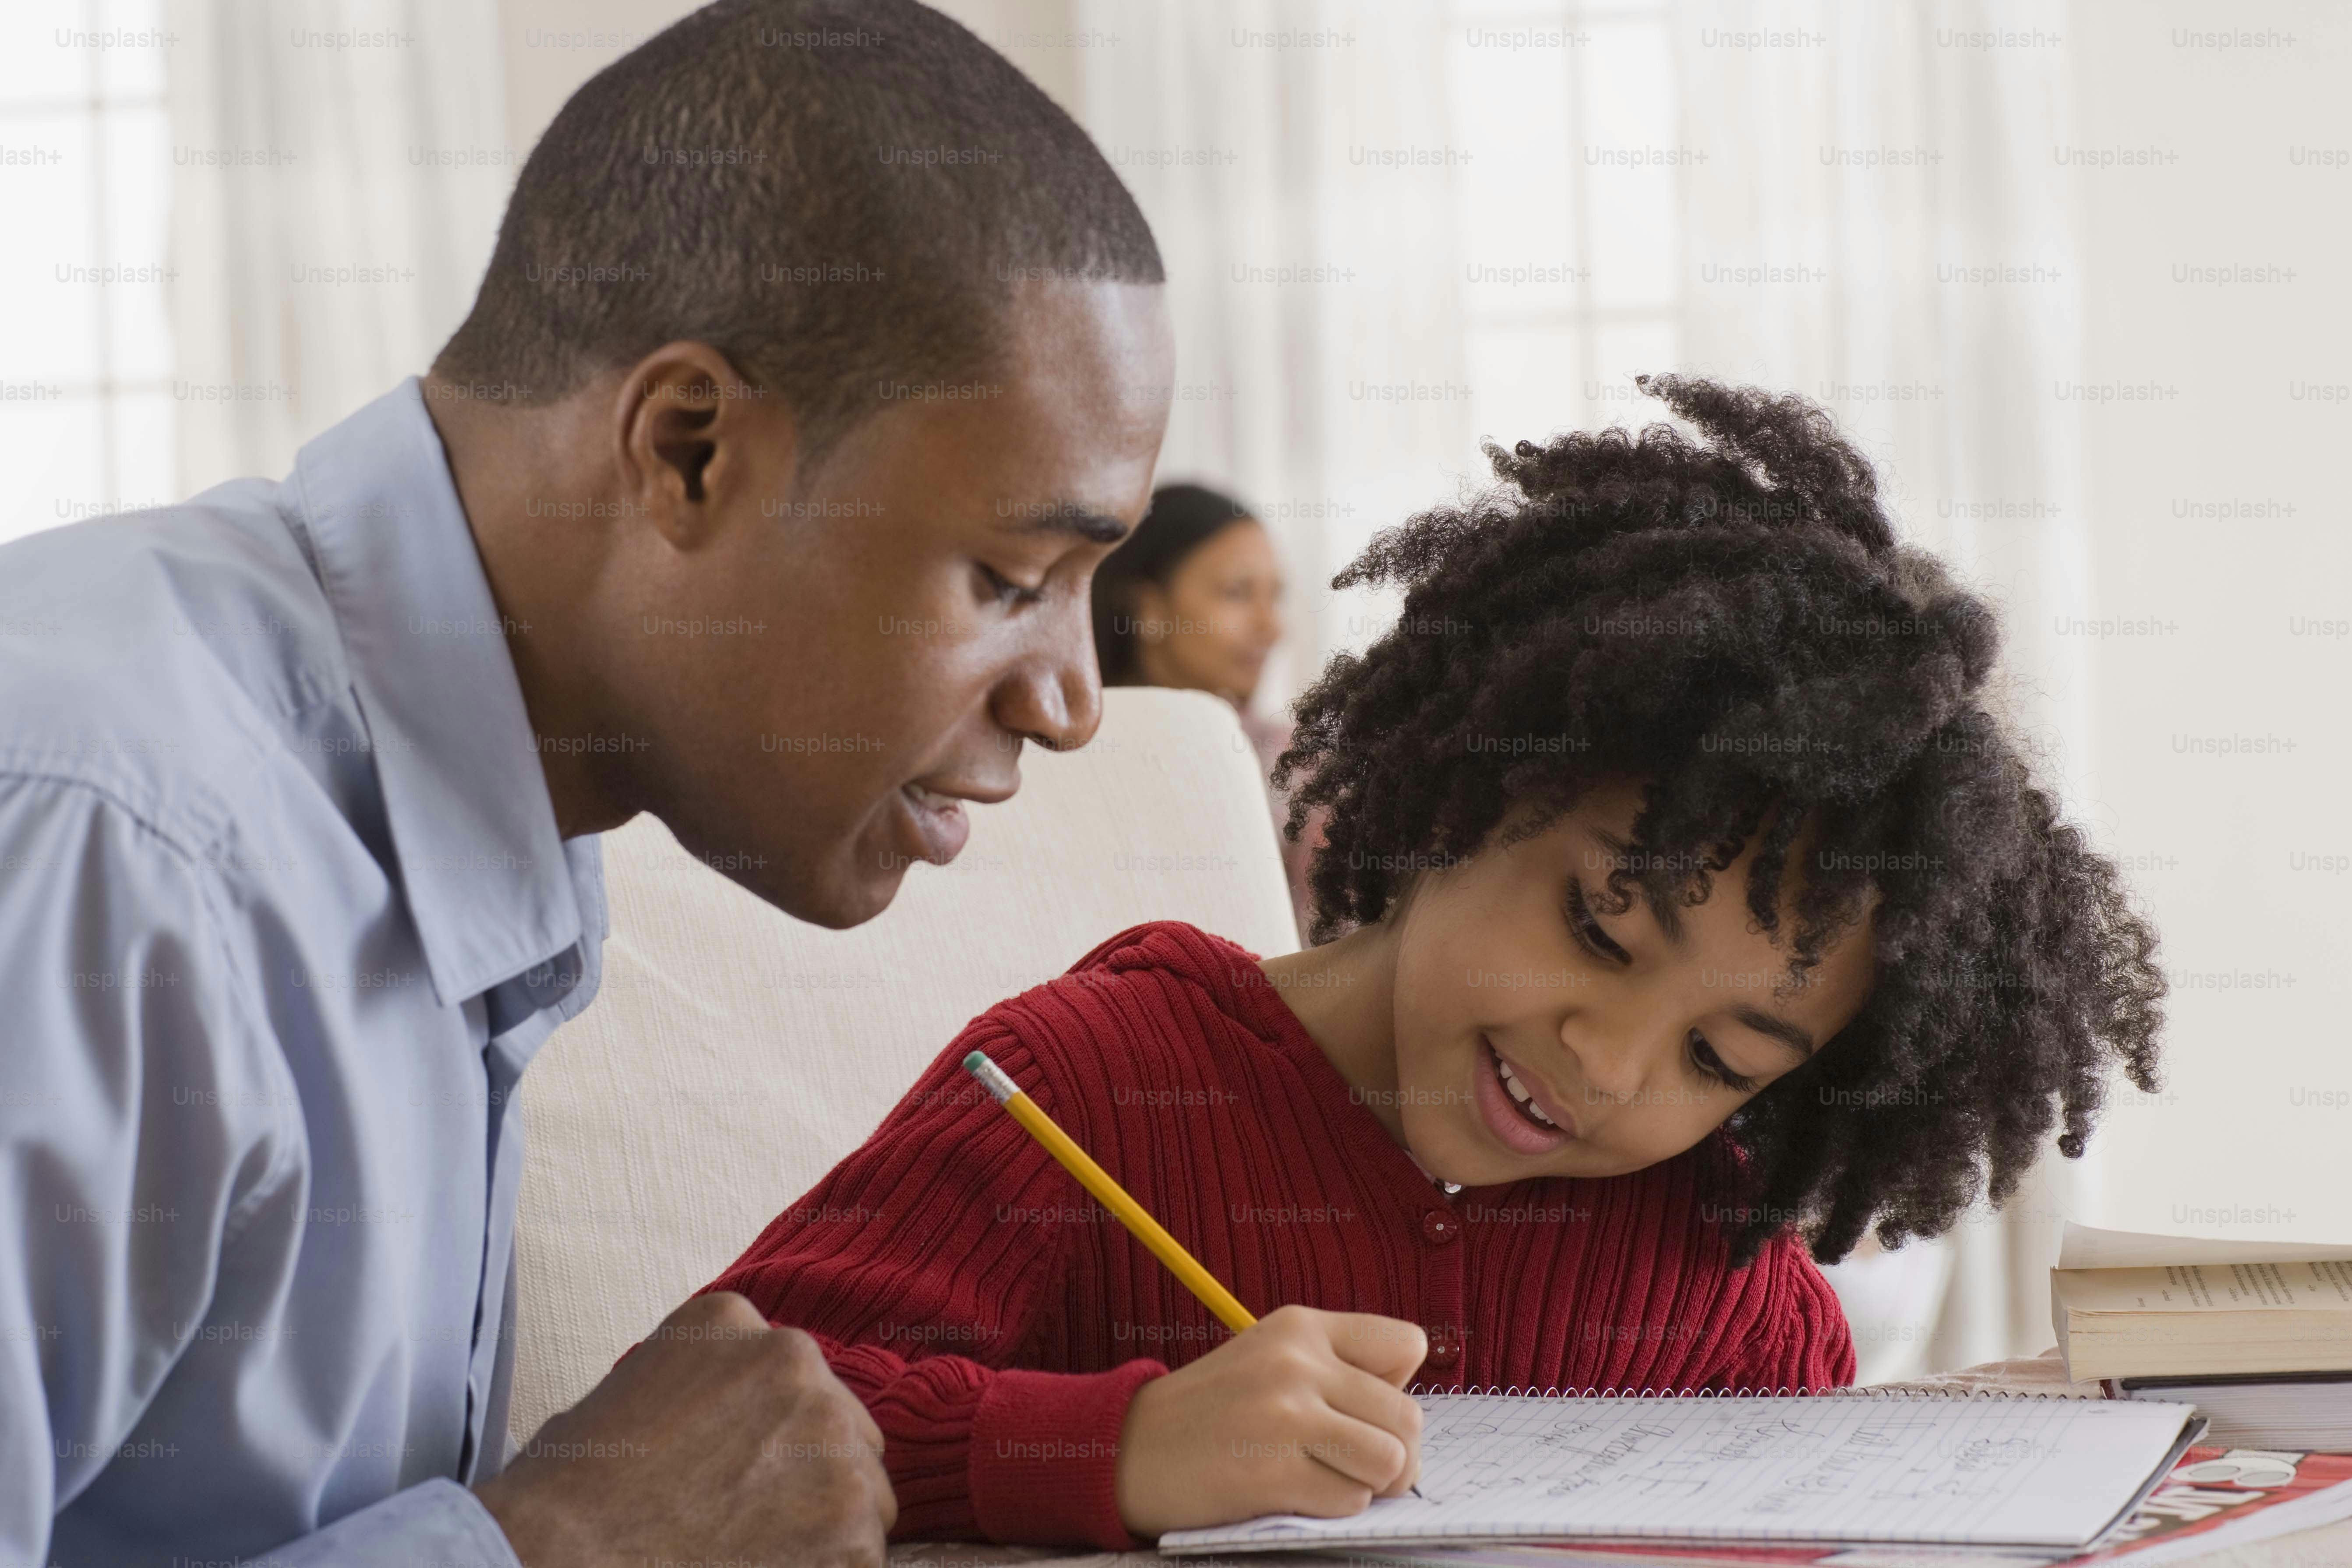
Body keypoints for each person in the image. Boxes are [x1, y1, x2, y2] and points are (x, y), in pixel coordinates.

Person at [0, 3, 1174, 1564]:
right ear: (686, 447)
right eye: (1015, 573)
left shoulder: (504, 815)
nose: (1074, 700)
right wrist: (560, 1542)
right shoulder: (117, 840)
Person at [701, 377, 2168, 1548]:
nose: (1606, 1065)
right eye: (1597, 925)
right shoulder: (1098, 1082)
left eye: (1720, 1060)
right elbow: (711, 1425)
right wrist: (1121, 1448)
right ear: (1468, 789)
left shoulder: (1723, 1279)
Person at [1091, 482, 1319, 929]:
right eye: (1237, 592)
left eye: (1275, 597)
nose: (1271, 627)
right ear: (1149, 609)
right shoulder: (1059, 749)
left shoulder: (1298, 770)